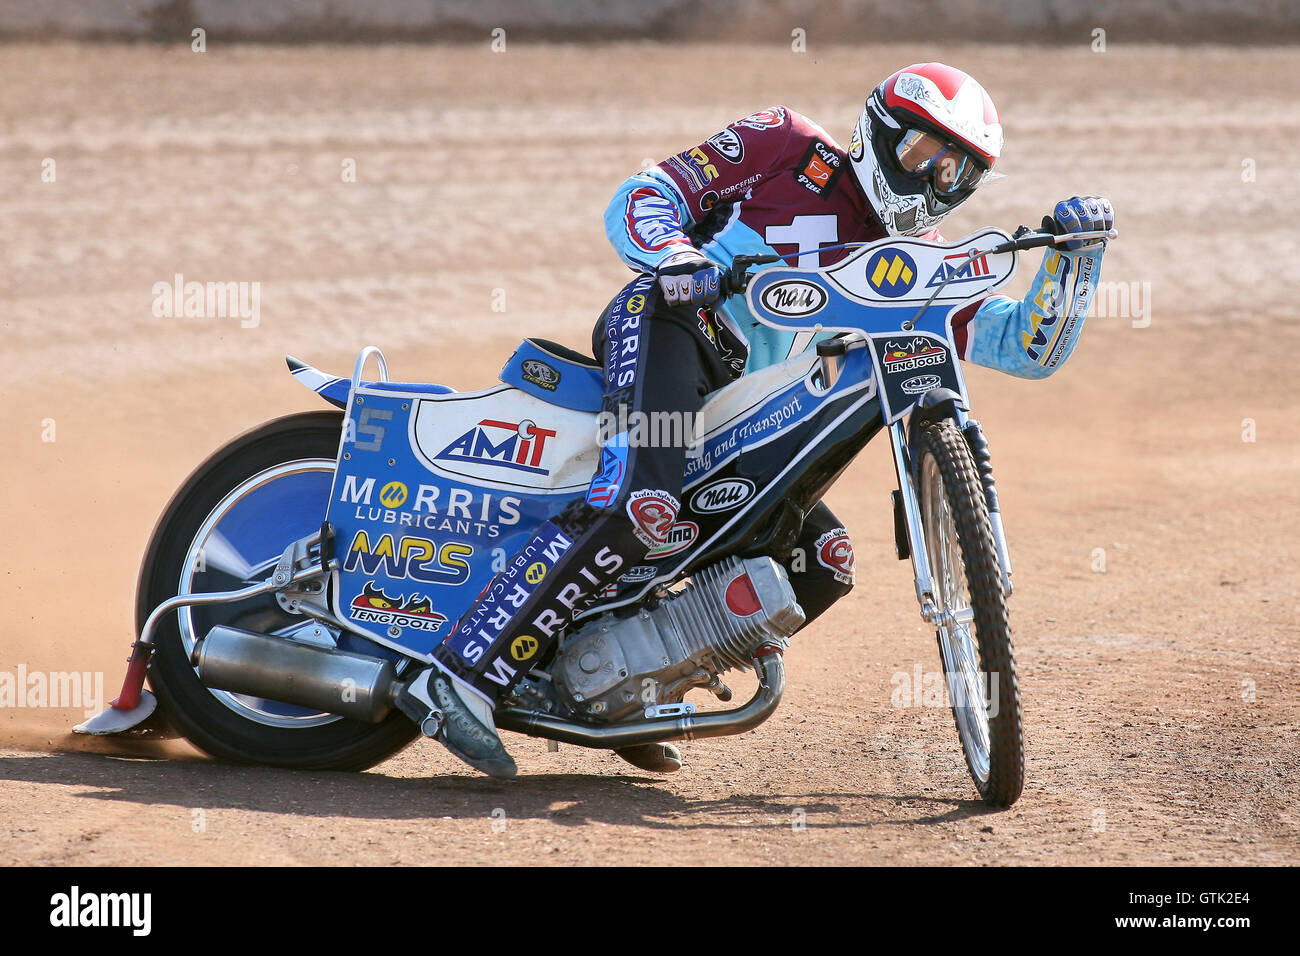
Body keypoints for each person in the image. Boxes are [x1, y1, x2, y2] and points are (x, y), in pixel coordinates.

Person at [396, 62, 1114, 778]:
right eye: (925, 155)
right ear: (880, 131)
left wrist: (1077, 263)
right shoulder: (787, 144)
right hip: (674, 326)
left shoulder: (910, 271)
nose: (933, 182)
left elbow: (1026, 346)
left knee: (822, 563)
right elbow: (645, 194)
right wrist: (678, 255)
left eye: (956, 173)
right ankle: (459, 675)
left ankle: (622, 692)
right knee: (642, 501)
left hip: (743, 419)